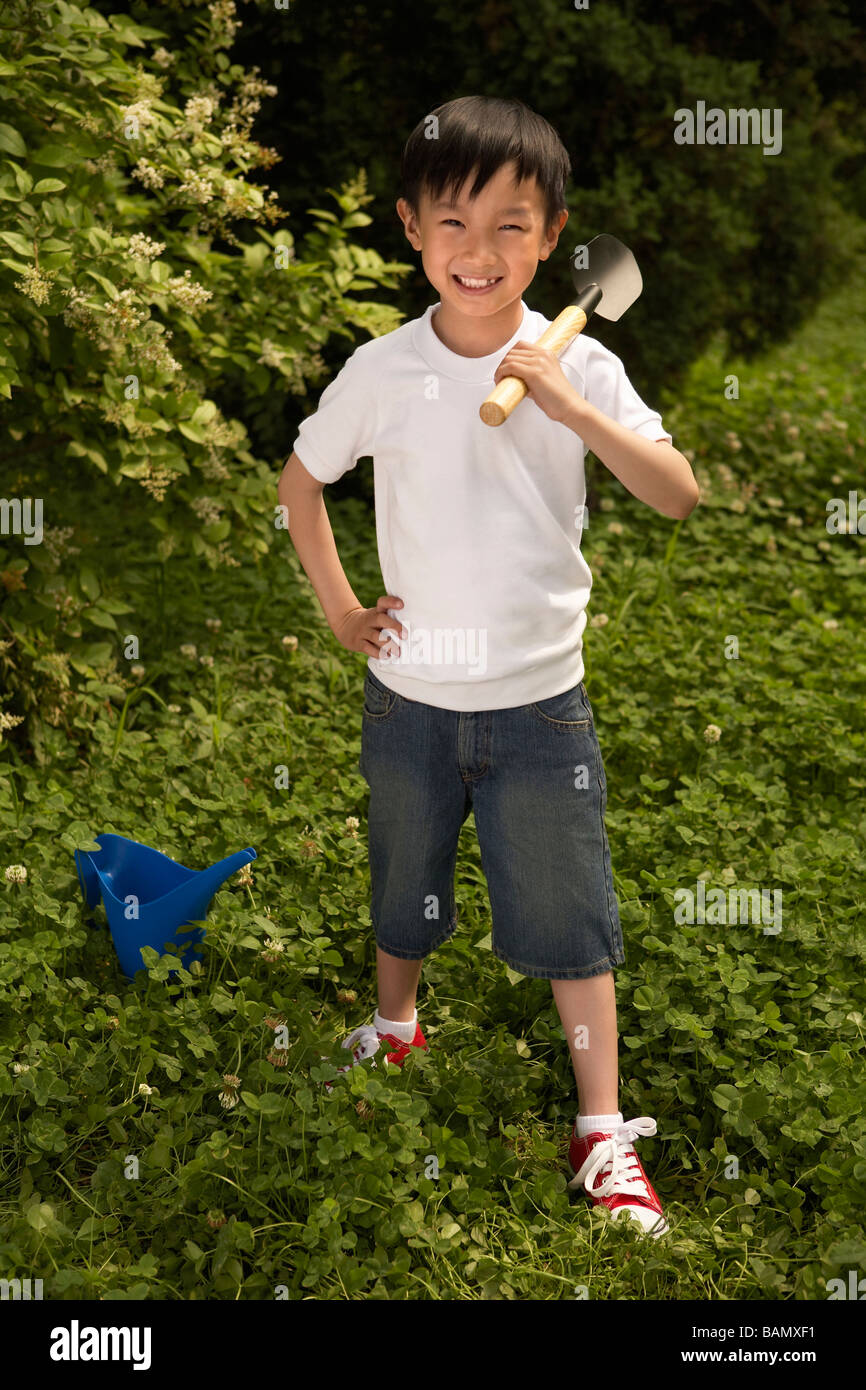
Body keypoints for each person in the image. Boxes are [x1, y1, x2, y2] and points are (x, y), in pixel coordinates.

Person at [278, 95, 699, 1240]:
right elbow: (303, 481)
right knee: (402, 886)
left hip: (537, 707)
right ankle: (398, 1024)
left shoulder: (582, 365)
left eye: (511, 226)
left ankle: (599, 1127)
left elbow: (676, 490)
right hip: (409, 696)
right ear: (411, 229)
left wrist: (569, 403)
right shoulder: (382, 369)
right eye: (453, 222)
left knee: (570, 919)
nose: (480, 251)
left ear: (553, 237)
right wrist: (338, 609)